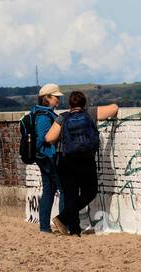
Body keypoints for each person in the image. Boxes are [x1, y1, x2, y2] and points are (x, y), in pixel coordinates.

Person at [45, 90, 118, 235]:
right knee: (89, 192)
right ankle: (62, 218)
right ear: (84, 103)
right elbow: (114, 108)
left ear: (70, 104)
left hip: (67, 161)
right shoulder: (90, 113)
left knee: (71, 195)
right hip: (86, 160)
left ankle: (74, 230)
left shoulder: (63, 117)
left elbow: (48, 138)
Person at [28, 84, 65, 233]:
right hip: (48, 157)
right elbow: (44, 138)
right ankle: (64, 223)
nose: (58, 99)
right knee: (63, 189)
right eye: (56, 97)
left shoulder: (39, 113)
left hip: (43, 158)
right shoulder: (44, 116)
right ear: (47, 98)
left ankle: (44, 226)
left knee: (49, 190)